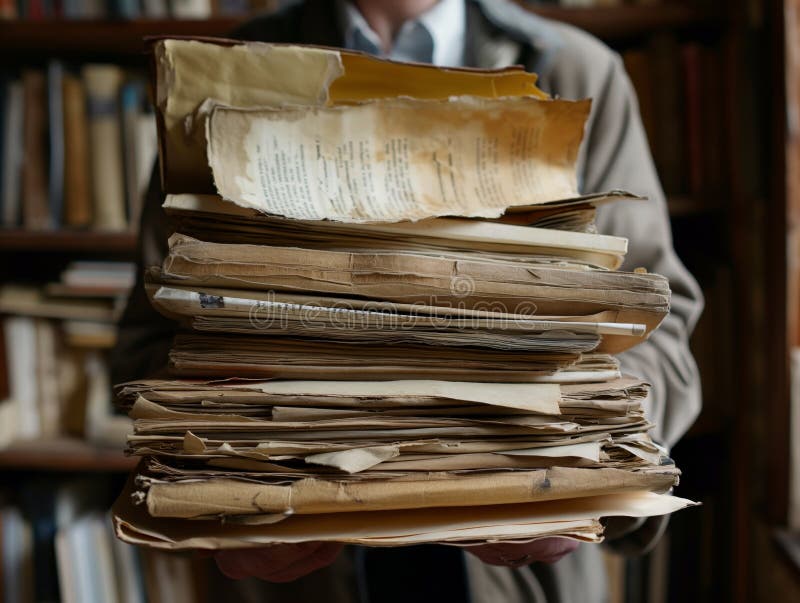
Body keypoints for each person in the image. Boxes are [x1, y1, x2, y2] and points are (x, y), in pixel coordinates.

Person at [112, 0, 704, 601]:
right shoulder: (228, 75)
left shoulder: (576, 70)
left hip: (520, 578)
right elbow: (152, 335)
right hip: (304, 575)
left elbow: (660, 326)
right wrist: (220, 480)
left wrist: (595, 459)